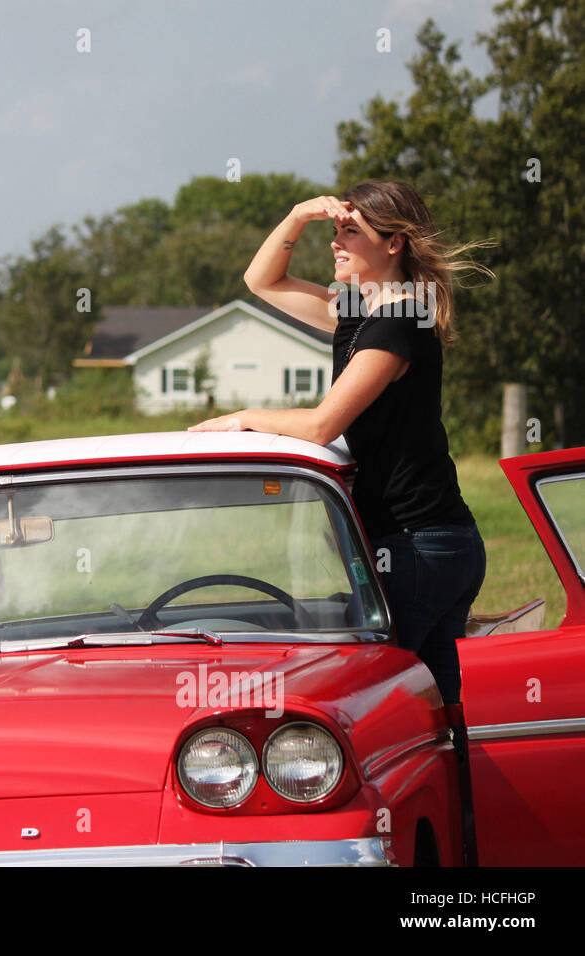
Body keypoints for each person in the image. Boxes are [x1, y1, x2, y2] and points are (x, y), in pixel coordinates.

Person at [189, 179, 490, 863]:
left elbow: (326, 422)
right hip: (431, 542)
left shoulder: (399, 321)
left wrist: (244, 416)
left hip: (419, 546)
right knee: (437, 720)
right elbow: (260, 278)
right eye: (335, 230)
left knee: (376, 710)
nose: (336, 242)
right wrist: (299, 212)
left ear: (393, 243)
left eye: (350, 232)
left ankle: (368, 849)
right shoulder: (363, 309)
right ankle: (453, 850)